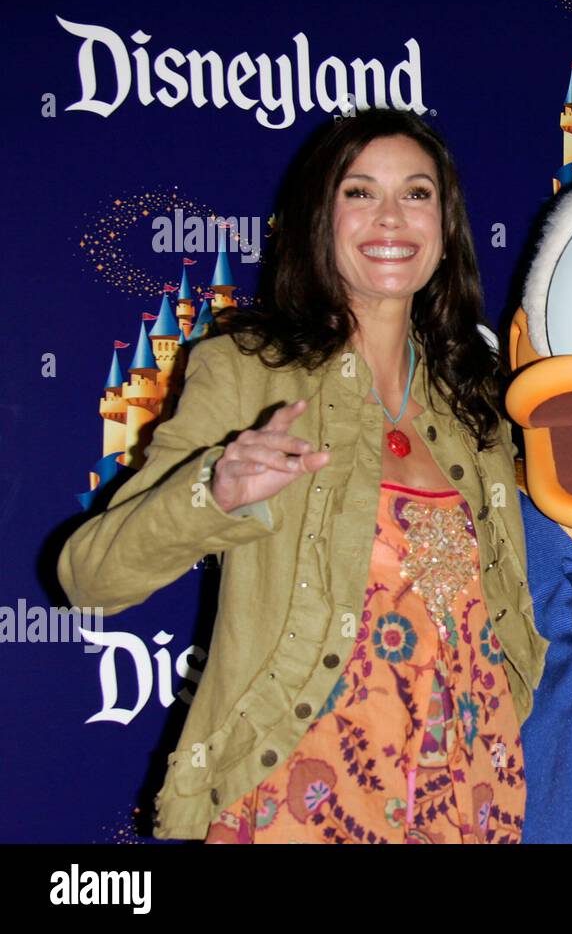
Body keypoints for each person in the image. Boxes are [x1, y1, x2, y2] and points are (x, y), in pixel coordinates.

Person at [58, 108, 545, 843]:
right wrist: (214, 490)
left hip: (469, 784)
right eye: (359, 192)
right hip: (307, 778)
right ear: (320, 218)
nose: (391, 218)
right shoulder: (248, 369)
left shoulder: (479, 395)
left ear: (446, 230)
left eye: (417, 194)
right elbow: (88, 577)